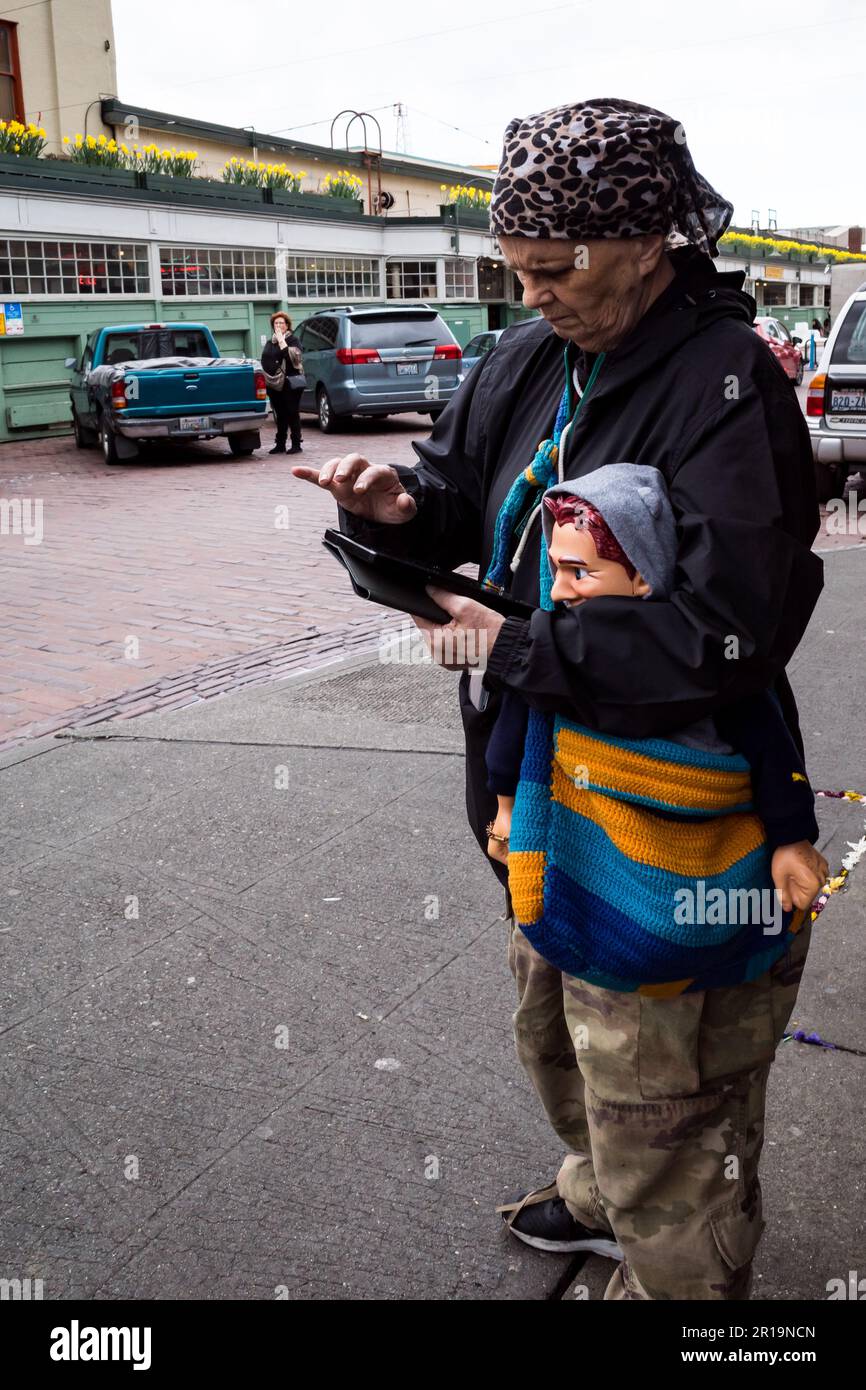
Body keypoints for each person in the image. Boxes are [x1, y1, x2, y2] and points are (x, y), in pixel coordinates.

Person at [292, 97, 825, 1300]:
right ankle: (595, 1196)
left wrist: (515, 646)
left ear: (644, 244)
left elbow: (724, 635)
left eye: (551, 269)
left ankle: (683, 1279)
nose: (529, 291)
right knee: (554, 1025)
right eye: (513, 267)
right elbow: (464, 488)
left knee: (665, 1091)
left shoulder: (725, 382)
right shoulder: (530, 352)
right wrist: (395, 507)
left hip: (664, 807)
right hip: (533, 783)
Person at [484, 466, 828, 959]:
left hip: (702, 853)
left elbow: (772, 750)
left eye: (579, 573)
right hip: (586, 864)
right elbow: (512, 733)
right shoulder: (553, 653)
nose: (558, 591)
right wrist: (506, 814)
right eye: (556, 570)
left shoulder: (697, 671)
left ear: (643, 574)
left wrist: (792, 837)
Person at [261, 311, 303, 455]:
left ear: (287, 325)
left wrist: (281, 341)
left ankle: (296, 444)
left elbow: (293, 358)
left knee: (292, 412)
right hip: (274, 384)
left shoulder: (293, 340)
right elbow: (265, 358)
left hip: (290, 382)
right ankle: (280, 444)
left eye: (281, 323)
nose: (278, 326)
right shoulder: (270, 342)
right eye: (276, 323)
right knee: (280, 414)